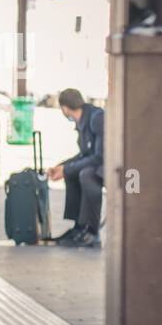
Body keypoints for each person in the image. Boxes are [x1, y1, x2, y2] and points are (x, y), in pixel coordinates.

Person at [46, 88, 104, 248]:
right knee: (73, 173)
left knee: (87, 174)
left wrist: (67, 169)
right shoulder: (84, 120)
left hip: (118, 169)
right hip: (100, 165)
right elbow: (85, 154)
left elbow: (100, 156)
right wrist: (63, 167)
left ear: (64, 108)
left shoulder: (97, 118)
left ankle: (92, 231)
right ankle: (78, 227)